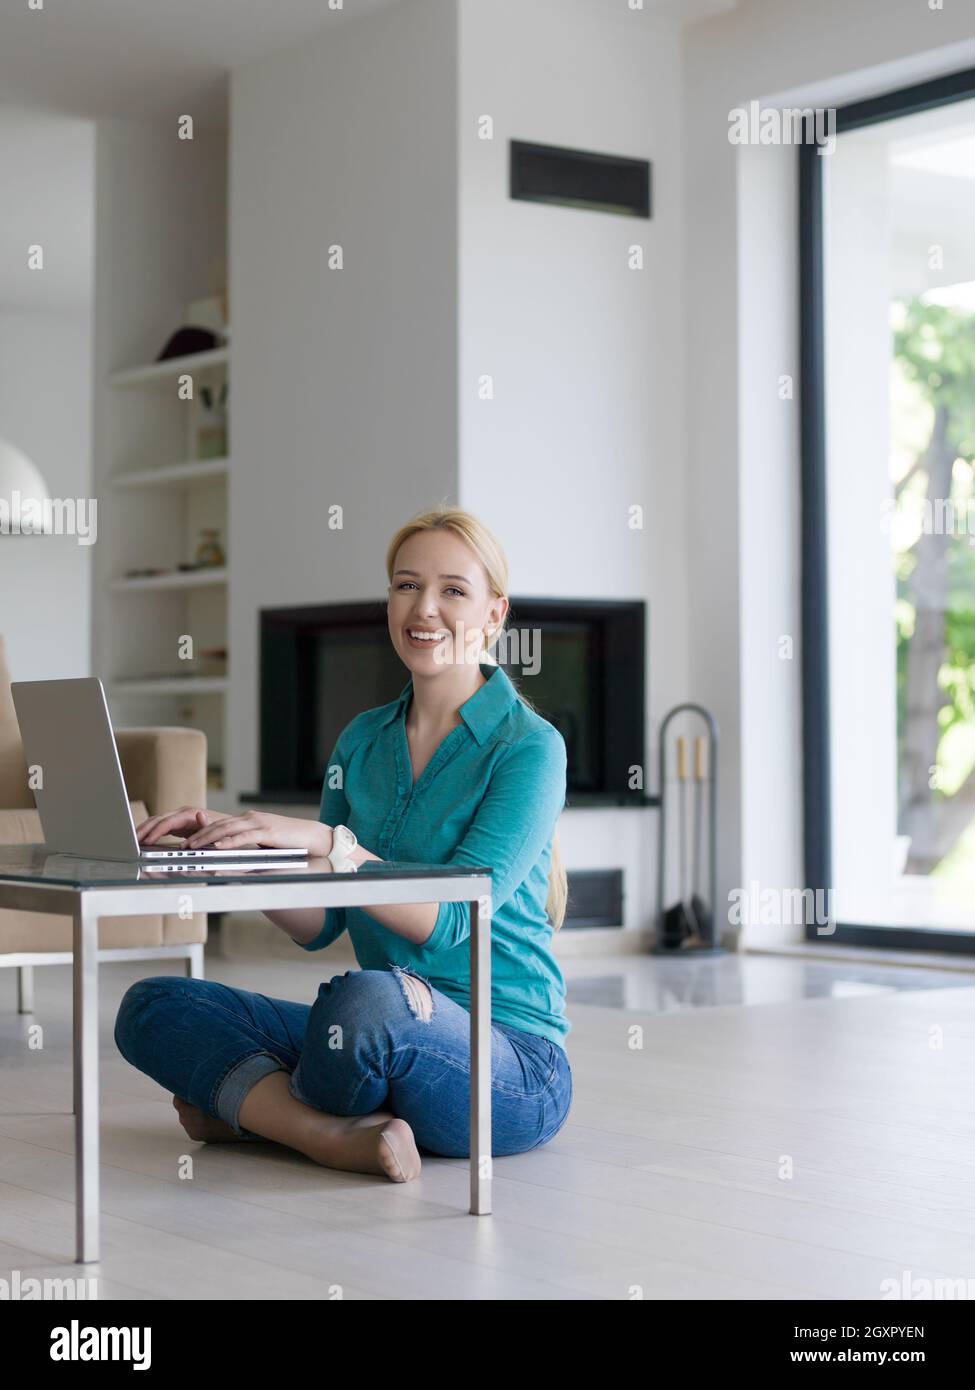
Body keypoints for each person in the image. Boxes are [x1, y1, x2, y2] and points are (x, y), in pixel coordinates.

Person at [114, 505, 572, 1183]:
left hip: (506, 1060)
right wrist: (236, 853)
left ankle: (260, 1111)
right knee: (154, 1004)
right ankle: (326, 1133)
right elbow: (318, 923)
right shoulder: (362, 739)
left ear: (494, 615)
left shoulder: (529, 748)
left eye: (452, 590)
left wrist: (335, 843)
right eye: (405, 585)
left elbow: (450, 923)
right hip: (375, 1025)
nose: (423, 607)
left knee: (365, 1004)